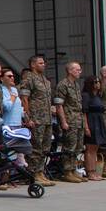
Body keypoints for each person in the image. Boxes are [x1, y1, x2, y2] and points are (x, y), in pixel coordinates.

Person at [20, 54, 55, 187]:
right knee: (35, 147)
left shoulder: (45, 80)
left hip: (46, 118)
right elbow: (24, 99)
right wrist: (28, 117)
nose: (43, 65)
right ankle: (33, 173)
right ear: (33, 65)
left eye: (43, 63)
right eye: (40, 63)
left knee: (45, 147)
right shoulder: (29, 79)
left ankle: (40, 172)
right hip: (36, 118)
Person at [54, 61, 85, 183]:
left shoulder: (76, 85)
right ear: (70, 71)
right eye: (77, 70)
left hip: (78, 120)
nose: (79, 72)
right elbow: (59, 105)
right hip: (69, 120)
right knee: (69, 147)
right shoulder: (63, 85)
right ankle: (67, 171)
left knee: (77, 147)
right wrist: (63, 122)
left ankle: (72, 170)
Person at [81, 75, 106, 181]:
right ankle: (90, 172)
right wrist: (86, 127)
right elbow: (84, 112)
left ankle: (95, 171)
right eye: (95, 82)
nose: (98, 84)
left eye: (98, 82)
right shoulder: (86, 96)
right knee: (90, 149)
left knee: (95, 149)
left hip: (98, 122)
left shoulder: (97, 96)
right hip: (91, 122)